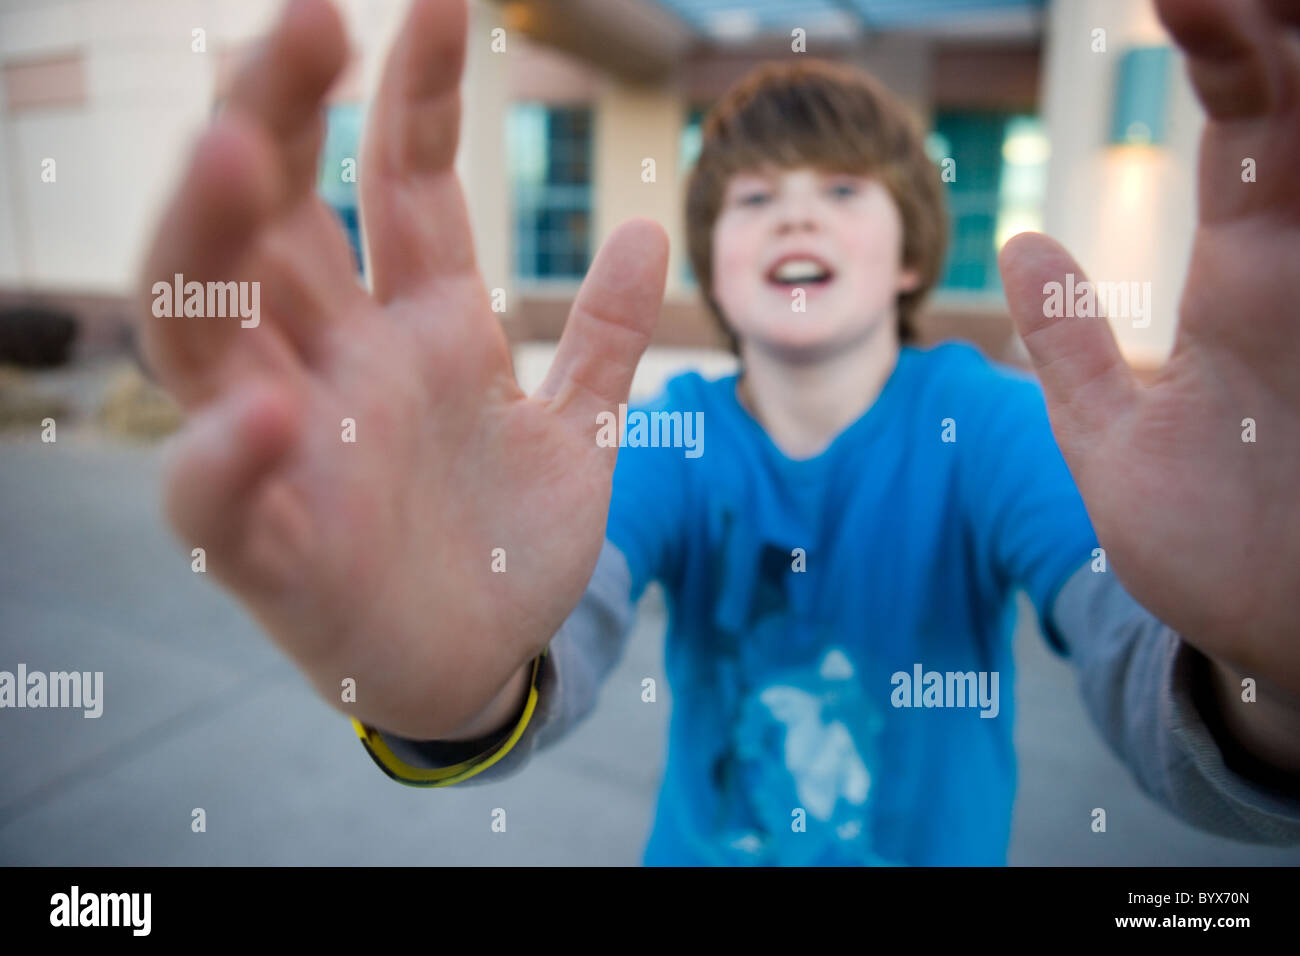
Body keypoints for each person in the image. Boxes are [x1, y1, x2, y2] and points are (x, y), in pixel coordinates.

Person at [135, 0, 1300, 865]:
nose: (795, 205)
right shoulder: (673, 435)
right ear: (716, 266)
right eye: (753, 196)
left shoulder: (983, 420)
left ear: (906, 254)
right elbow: (564, 610)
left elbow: (1137, 664)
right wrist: (454, 693)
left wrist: (1272, 681)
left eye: (843, 189)